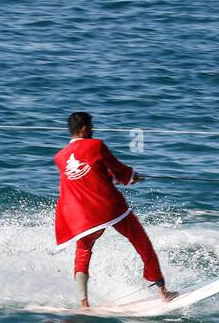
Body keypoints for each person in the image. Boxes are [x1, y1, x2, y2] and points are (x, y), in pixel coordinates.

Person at [54, 111, 175, 307]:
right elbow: (117, 168)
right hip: (106, 207)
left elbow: (91, 174)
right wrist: (131, 176)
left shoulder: (59, 157)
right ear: (85, 129)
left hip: (77, 216)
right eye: (91, 127)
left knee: (83, 252)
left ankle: (84, 304)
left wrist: (114, 176)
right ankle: (163, 292)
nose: (93, 130)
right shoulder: (96, 145)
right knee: (141, 242)